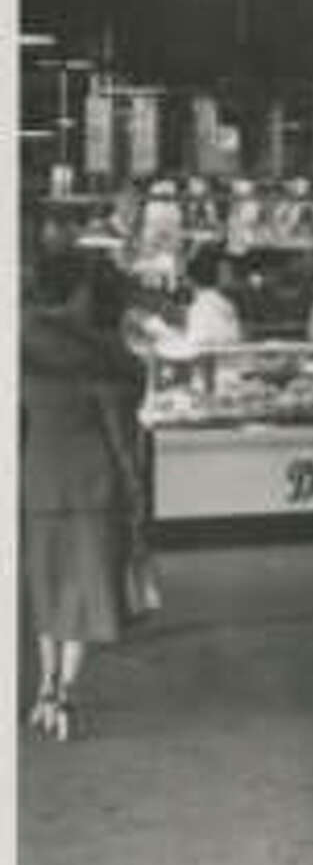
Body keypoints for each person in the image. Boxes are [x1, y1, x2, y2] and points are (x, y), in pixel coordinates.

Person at [21, 252, 148, 741]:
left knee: (48, 593)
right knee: (83, 597)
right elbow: (121, 440)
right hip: (93, 491)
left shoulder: (24, 351)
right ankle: (63, 697)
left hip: (40, 486)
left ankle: (43, 690)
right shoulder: (104, 362)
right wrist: (136, 495)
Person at [181, 245, 243, 348]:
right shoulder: (207, 304)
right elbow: (203, 343)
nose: (232, 272)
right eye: (228, 267)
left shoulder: (219, 302)